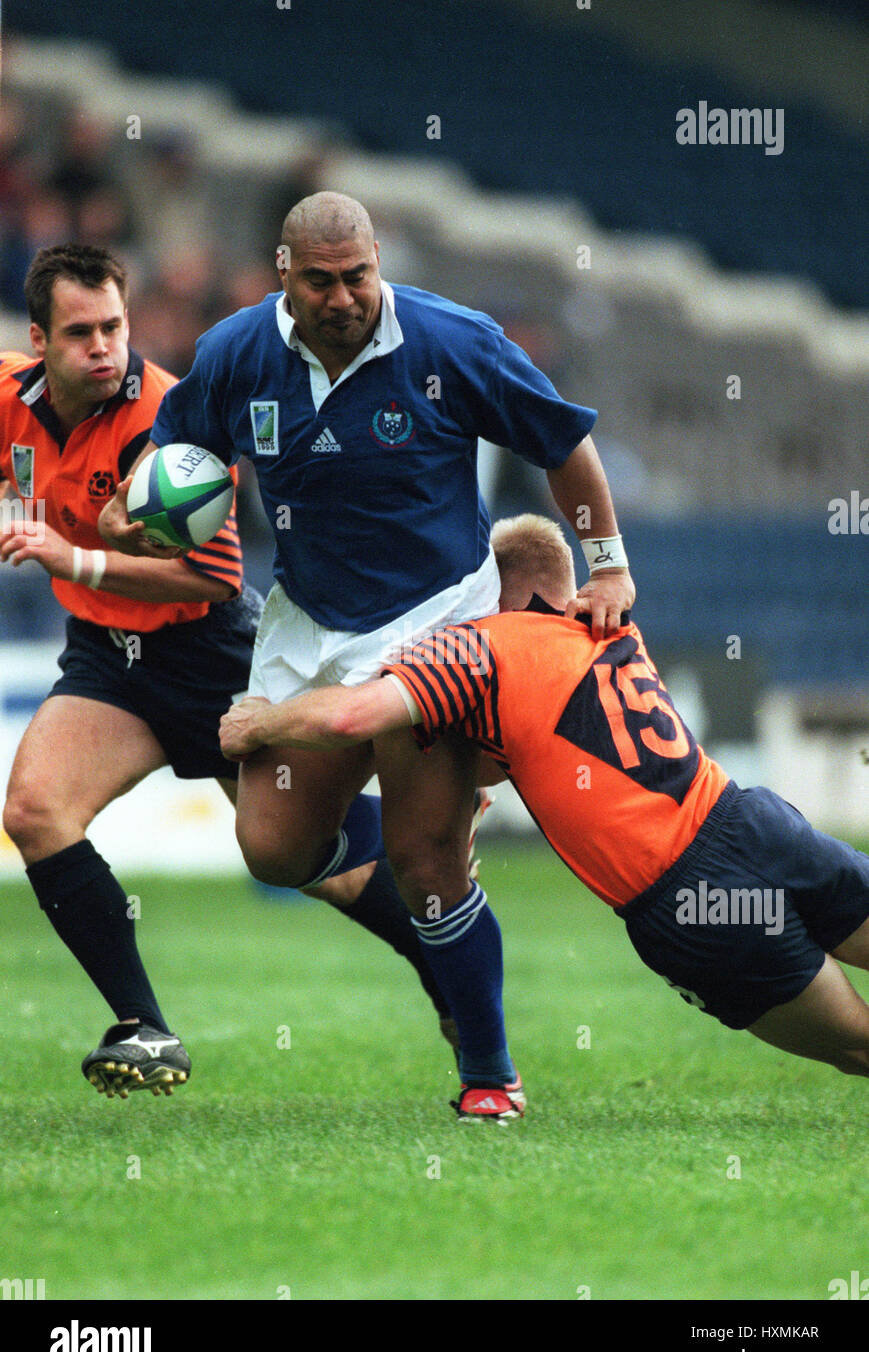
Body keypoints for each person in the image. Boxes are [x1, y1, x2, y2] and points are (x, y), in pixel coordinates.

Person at [98, 191, 635, 1119]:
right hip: (307, 624)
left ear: (377, 263)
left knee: (430, 872)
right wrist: (130, 514)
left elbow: (564, 444)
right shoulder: (235, 354)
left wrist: (608, 563)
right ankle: (435, 845)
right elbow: (172, 454)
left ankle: (488, 1075)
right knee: (273, 849)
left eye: (358, 276)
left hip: (439, 622)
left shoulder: (450, 341)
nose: (344, 297)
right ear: (284, 275)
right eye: (322, 280)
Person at [0, 243, 472, 1101]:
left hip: (209, 655)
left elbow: (214, 575)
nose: (104, 346)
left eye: (114, 325)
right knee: (35, 812)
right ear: (38, 340)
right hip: (109, 659)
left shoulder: (172, 420)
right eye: (80, 334)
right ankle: (143, 1027)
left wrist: (75, 559)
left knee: (313, 865)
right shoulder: (10, 397)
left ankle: (449, 967)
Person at [220, 513, 869, 1105]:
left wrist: (260, 723)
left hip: (684, 896)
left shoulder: (480, 646)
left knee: (857, 1047)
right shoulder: (605, 623)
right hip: (755, 823)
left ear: (488, 598)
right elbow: (527, 743)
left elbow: (351, 715)